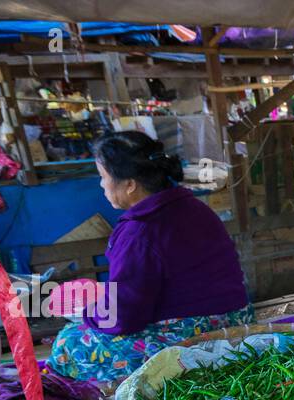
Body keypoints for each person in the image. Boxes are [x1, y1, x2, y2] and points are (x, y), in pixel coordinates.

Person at [48, 131, 253, 382]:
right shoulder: (194, 207)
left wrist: (88, 314)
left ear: (130, 184)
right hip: (237, 316)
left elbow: (124, 316)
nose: (101, 185)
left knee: (68, 344)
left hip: (200, 334)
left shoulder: (140, 232)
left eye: (103, 177)